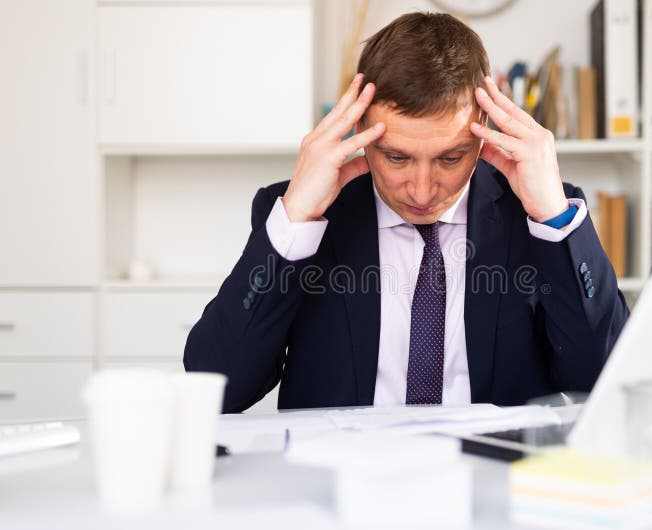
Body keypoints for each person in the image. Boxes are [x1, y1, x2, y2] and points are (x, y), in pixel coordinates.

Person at [184, 12, 629, 412]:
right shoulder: (302, 213)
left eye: (450, 158)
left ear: (485, 132)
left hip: (491, 479)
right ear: (359, 130)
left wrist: (552, 216)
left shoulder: (535, 212)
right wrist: (296, 218)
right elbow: (219, 390)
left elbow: (601, 380)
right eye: (396, 157)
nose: (421, 189)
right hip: (340, 480)